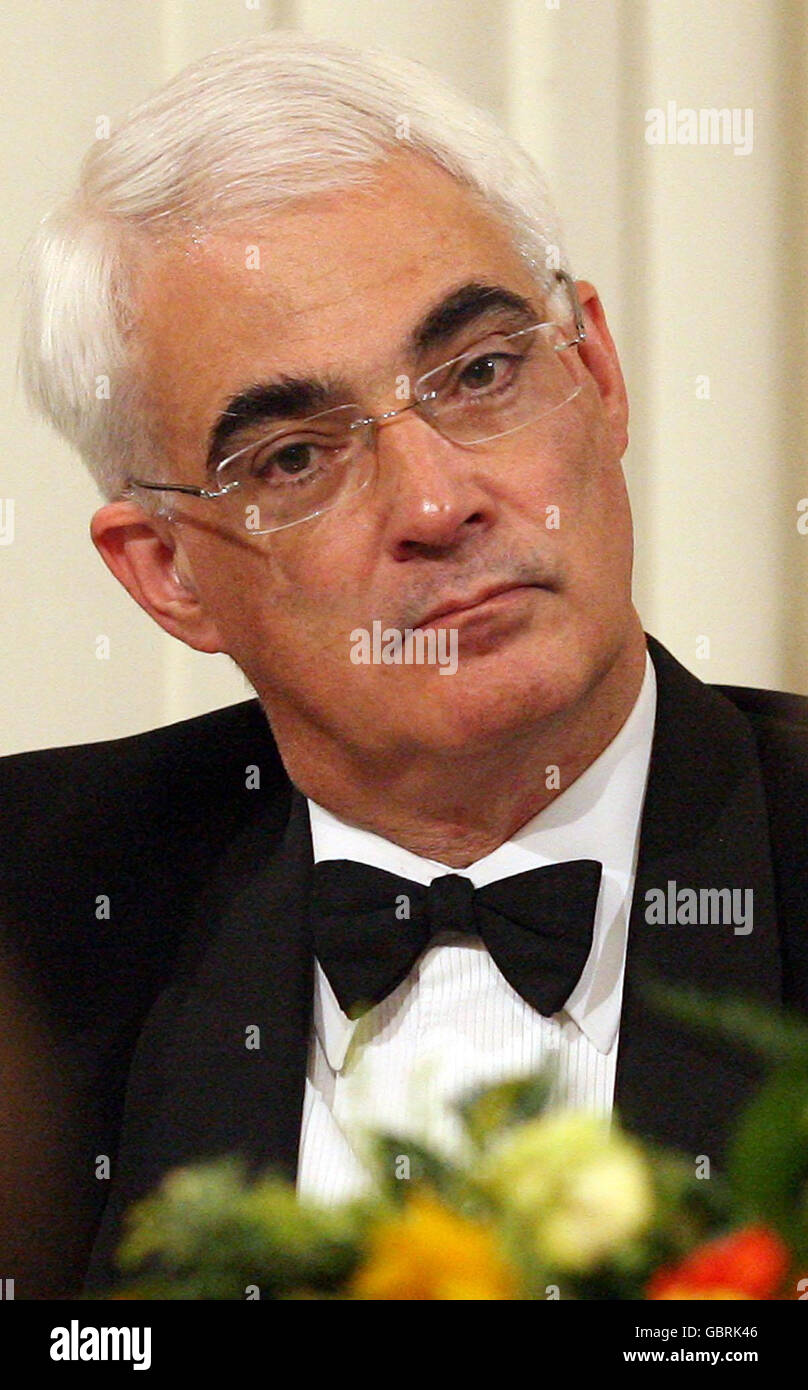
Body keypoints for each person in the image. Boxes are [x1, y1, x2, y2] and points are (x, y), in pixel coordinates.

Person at [4, 31, 807, 1298]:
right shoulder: (34, 930)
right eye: (294, 458)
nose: (435, 502)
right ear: (166, 572)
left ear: (594, 372)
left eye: (481, 373)